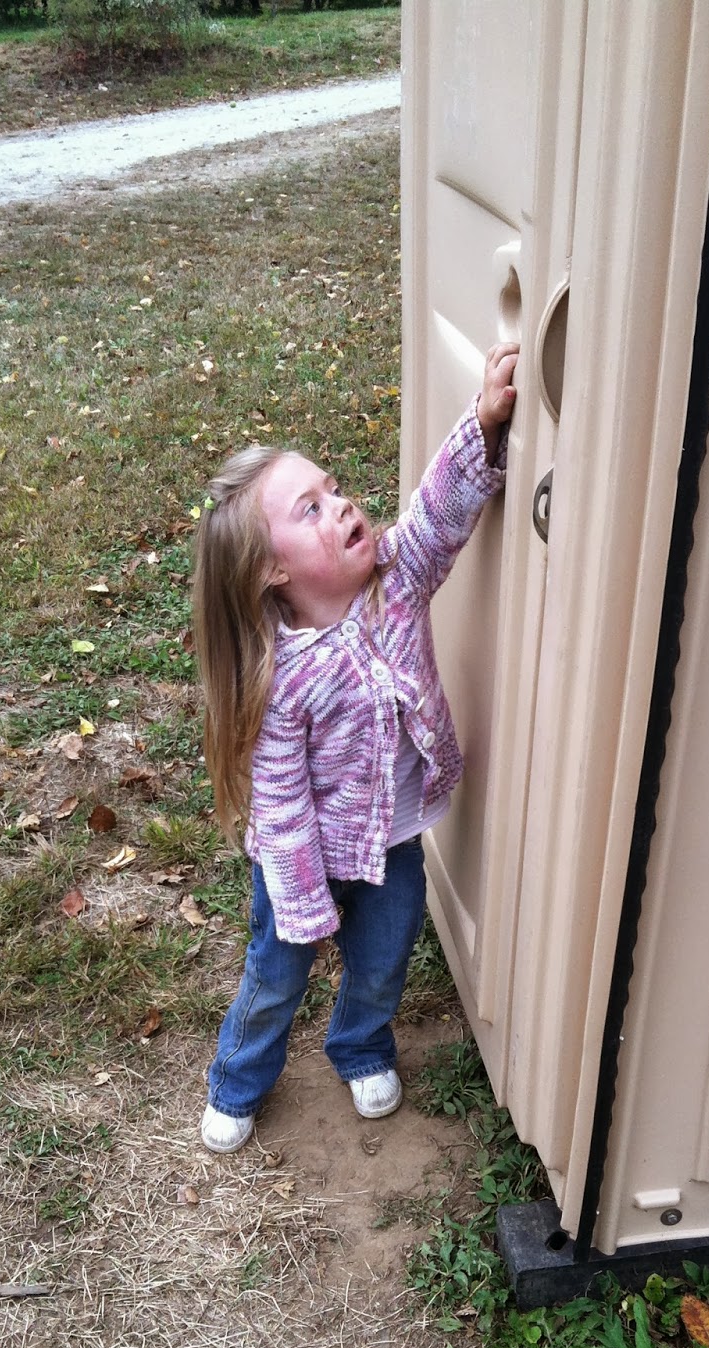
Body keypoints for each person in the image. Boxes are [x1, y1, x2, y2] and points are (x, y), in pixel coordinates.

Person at [192, 343, 519, 1152]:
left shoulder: (396, 583)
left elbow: (437, 515)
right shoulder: (278, 679)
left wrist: (482, 424)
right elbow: (280, 803)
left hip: (393, 839)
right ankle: (237, 1081)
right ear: (269, 571)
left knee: (381, 959)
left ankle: (361, 1045)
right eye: (309, 510)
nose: (340, 506)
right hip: (300, 858)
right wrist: (305, 906)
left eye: (332, 490)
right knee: (277, 975)